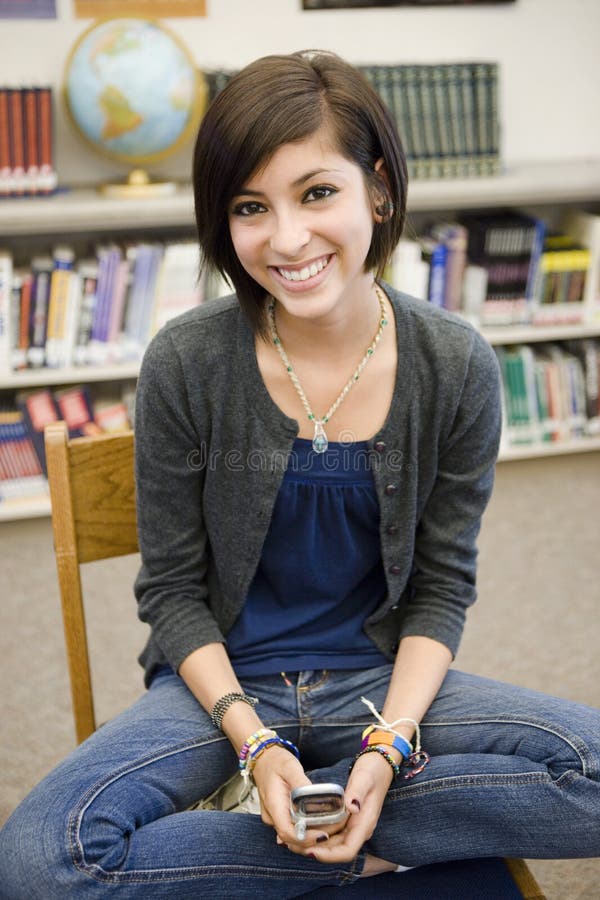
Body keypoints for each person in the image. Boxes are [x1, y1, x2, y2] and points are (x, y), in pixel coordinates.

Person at [1, 49, 599, 900]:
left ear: (379, 188)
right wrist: (256, 744)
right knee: (37, 862)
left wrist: (389, 749)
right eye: (251, 207)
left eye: (317, 192)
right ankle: (335, 834)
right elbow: (171, 592)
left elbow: (440, 589)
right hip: (223, 690)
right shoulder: (187, 359)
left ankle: (304, 830)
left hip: (376, 682)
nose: (286, 240)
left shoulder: (454, 364)